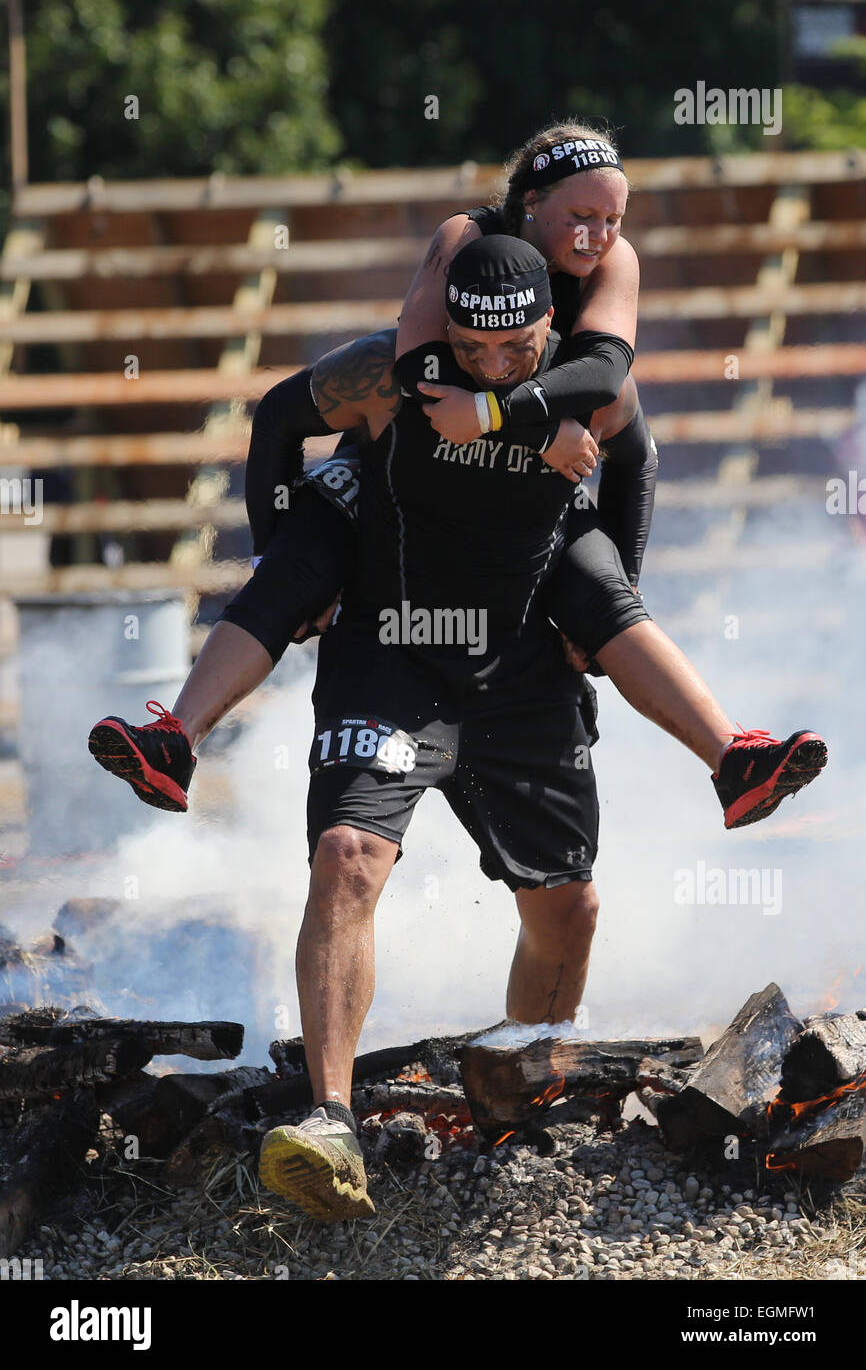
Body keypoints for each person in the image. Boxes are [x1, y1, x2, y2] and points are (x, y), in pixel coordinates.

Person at [251, 237, 823, 1221]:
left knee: (567, 909)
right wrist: (283, 563)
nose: (494, 362)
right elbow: (276, 417)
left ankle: (522, 1077)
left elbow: (627, 435)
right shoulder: (408, 364)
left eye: (516, 345)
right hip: (392, 646)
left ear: (546, 326)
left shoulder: (580, 363)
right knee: (346, 852)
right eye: (473, 346)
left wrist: (610, 566)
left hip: (518, 659)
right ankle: (331, 1122)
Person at [88, 124, 827, 832]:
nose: (598, 235)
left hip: (521, 485)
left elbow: (606, 376)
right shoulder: (462, 239)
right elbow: (407, 370)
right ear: (529, 205)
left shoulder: (612, 262)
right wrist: (273, 555)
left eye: (613, 218)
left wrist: (512, 423)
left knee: (604, 590)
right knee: (296, 560)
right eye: (582, 215)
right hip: (404, 467)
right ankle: (176, 739)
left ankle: (733, 757)